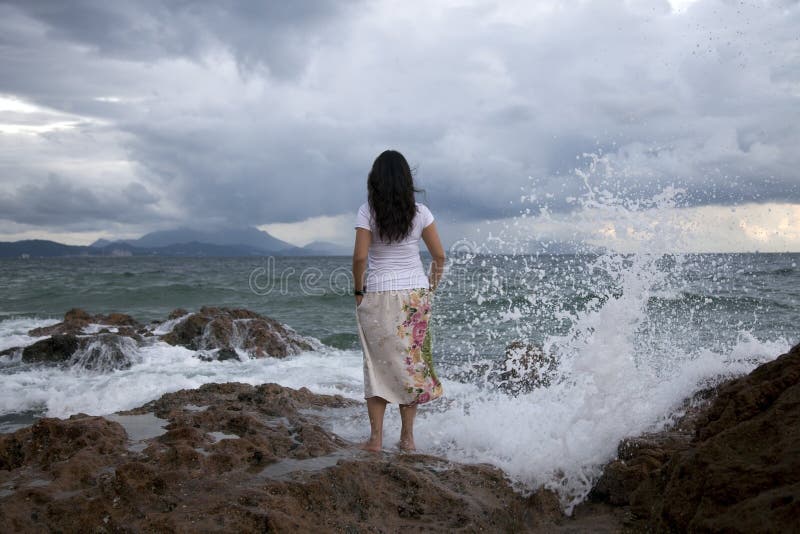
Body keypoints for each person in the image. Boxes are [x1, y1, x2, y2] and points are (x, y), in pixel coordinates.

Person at [352, 149, 446, 452]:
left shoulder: (367, 211)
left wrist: (358, 290)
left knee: (376, 366)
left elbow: (360, 257)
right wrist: (429, 288)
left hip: (378, 293)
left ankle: (376, 439)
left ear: (375, 180)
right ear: (407, 180)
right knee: (412, 365)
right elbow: (439, 257)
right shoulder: (421, 213)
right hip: (415, 296)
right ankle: (407, 438)